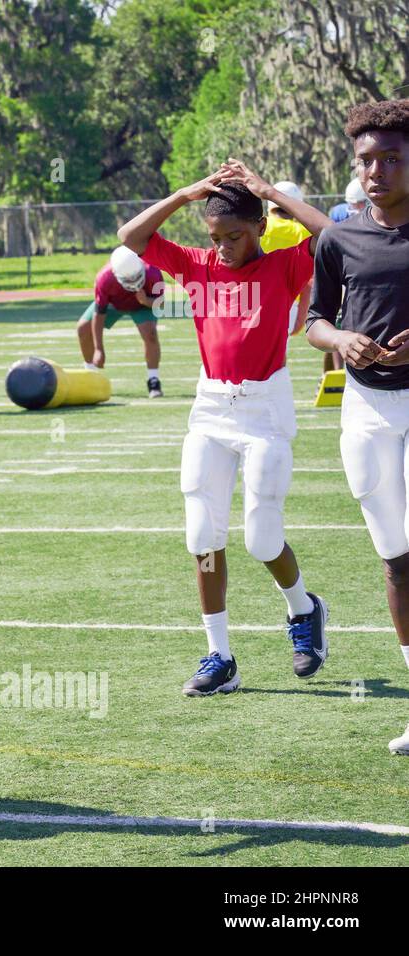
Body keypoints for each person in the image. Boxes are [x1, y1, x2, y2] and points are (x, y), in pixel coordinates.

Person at [117, 159, 333, 697]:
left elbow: (337, 237)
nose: (224, 247)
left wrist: (269, 192)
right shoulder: (197, 264)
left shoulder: (284, 266)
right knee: (202, 534)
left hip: (264, 407)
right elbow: (130, 236)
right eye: (216, 237)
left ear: (261, 226)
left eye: (235, 235)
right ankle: (220, 655)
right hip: (211, 407)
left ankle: (304, 611)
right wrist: (186, 194)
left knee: (262, 537)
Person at [305, 99, 409, 755]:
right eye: (366, 160)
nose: (377, 170)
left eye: (392, 158)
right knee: (397, 560)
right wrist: (341, 339)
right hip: (366, 408)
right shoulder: (337, 236)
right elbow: (313, 321)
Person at [76, 245, 166, 397]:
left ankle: (153, 379)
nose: (133, 282)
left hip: (142, 304)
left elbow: (161, 303)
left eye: (136, 277)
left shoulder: (153, 272)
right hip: (114, 303)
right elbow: (100, 312)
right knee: (83, 328)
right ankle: (90, 373)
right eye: (128, 279)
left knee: (150, 333)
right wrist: (99, 349)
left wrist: (145, 301)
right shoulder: (104, 278)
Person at [260, 180, 313, 335]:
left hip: (255, 298)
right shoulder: (303, 231)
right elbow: (309, 281)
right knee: (278, 354)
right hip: (289, 305)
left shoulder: (259, 226)